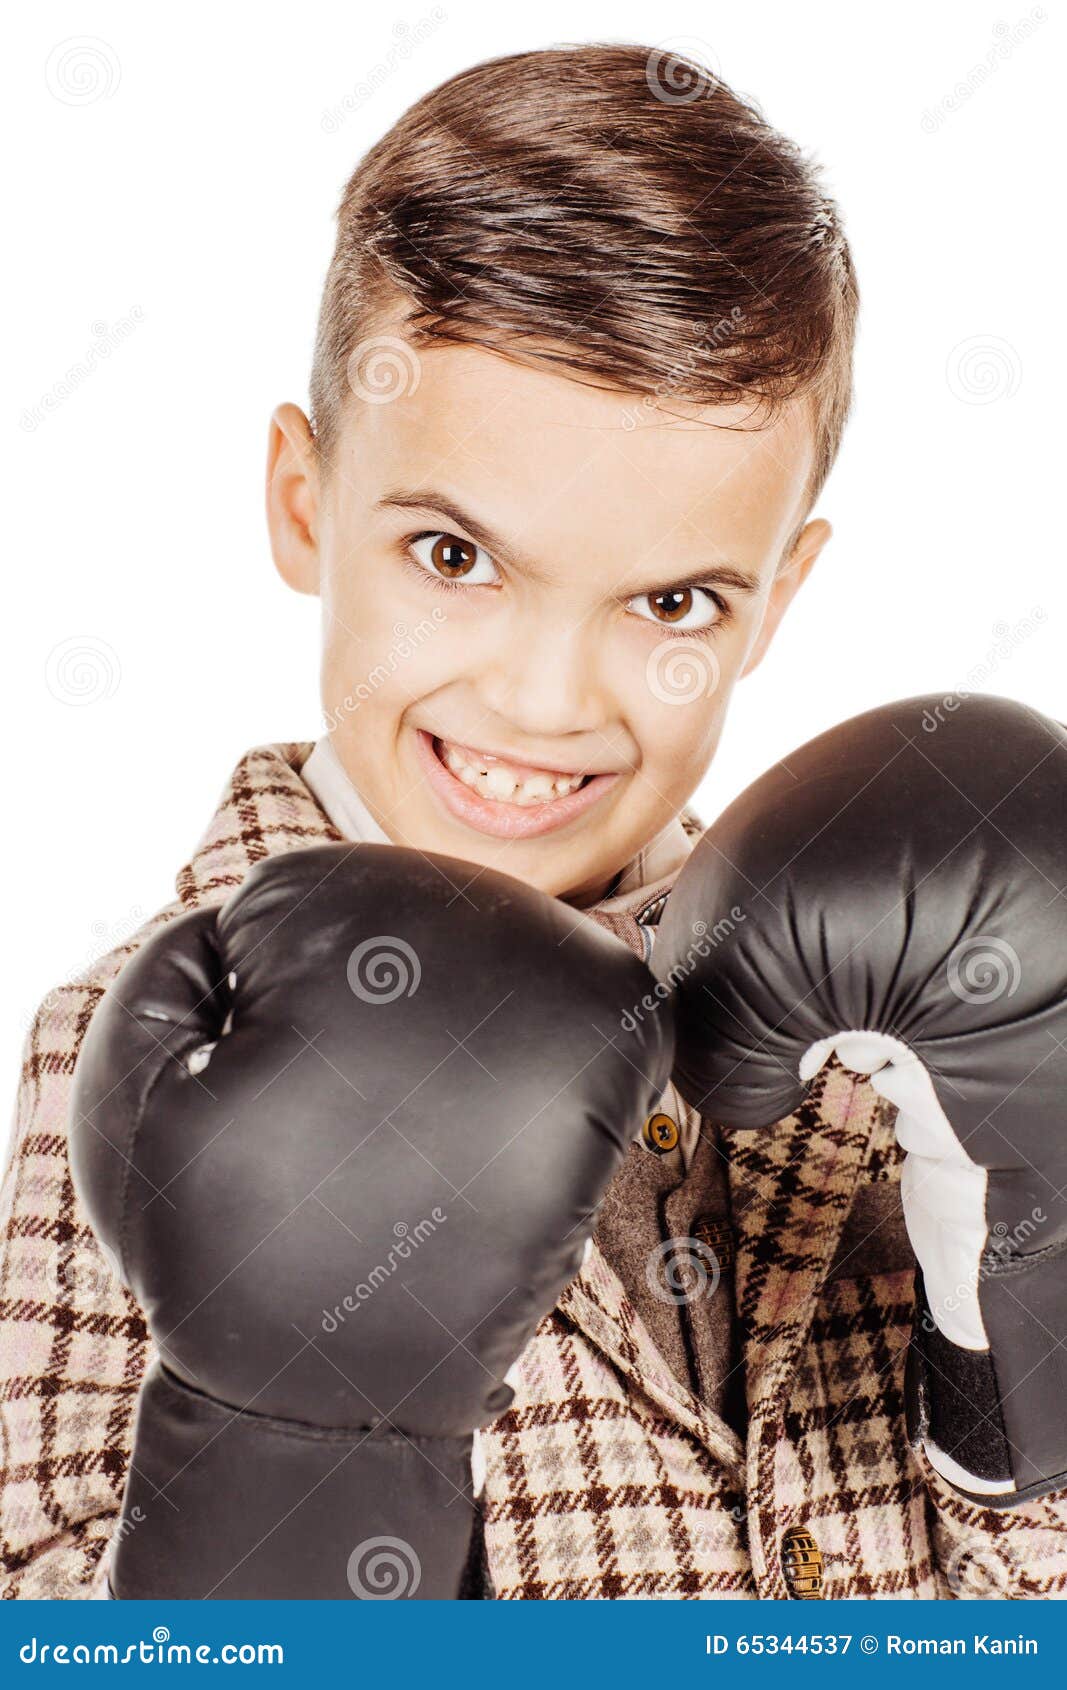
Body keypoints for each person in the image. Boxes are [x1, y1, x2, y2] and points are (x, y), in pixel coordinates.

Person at [3, 42, 1063, 1600]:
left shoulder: (890, 1050)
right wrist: (288, 1455)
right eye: (453, 556)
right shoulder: (149, 1048)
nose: (546, 698)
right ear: (305, 503)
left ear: (780, 600)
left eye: (674, 598)